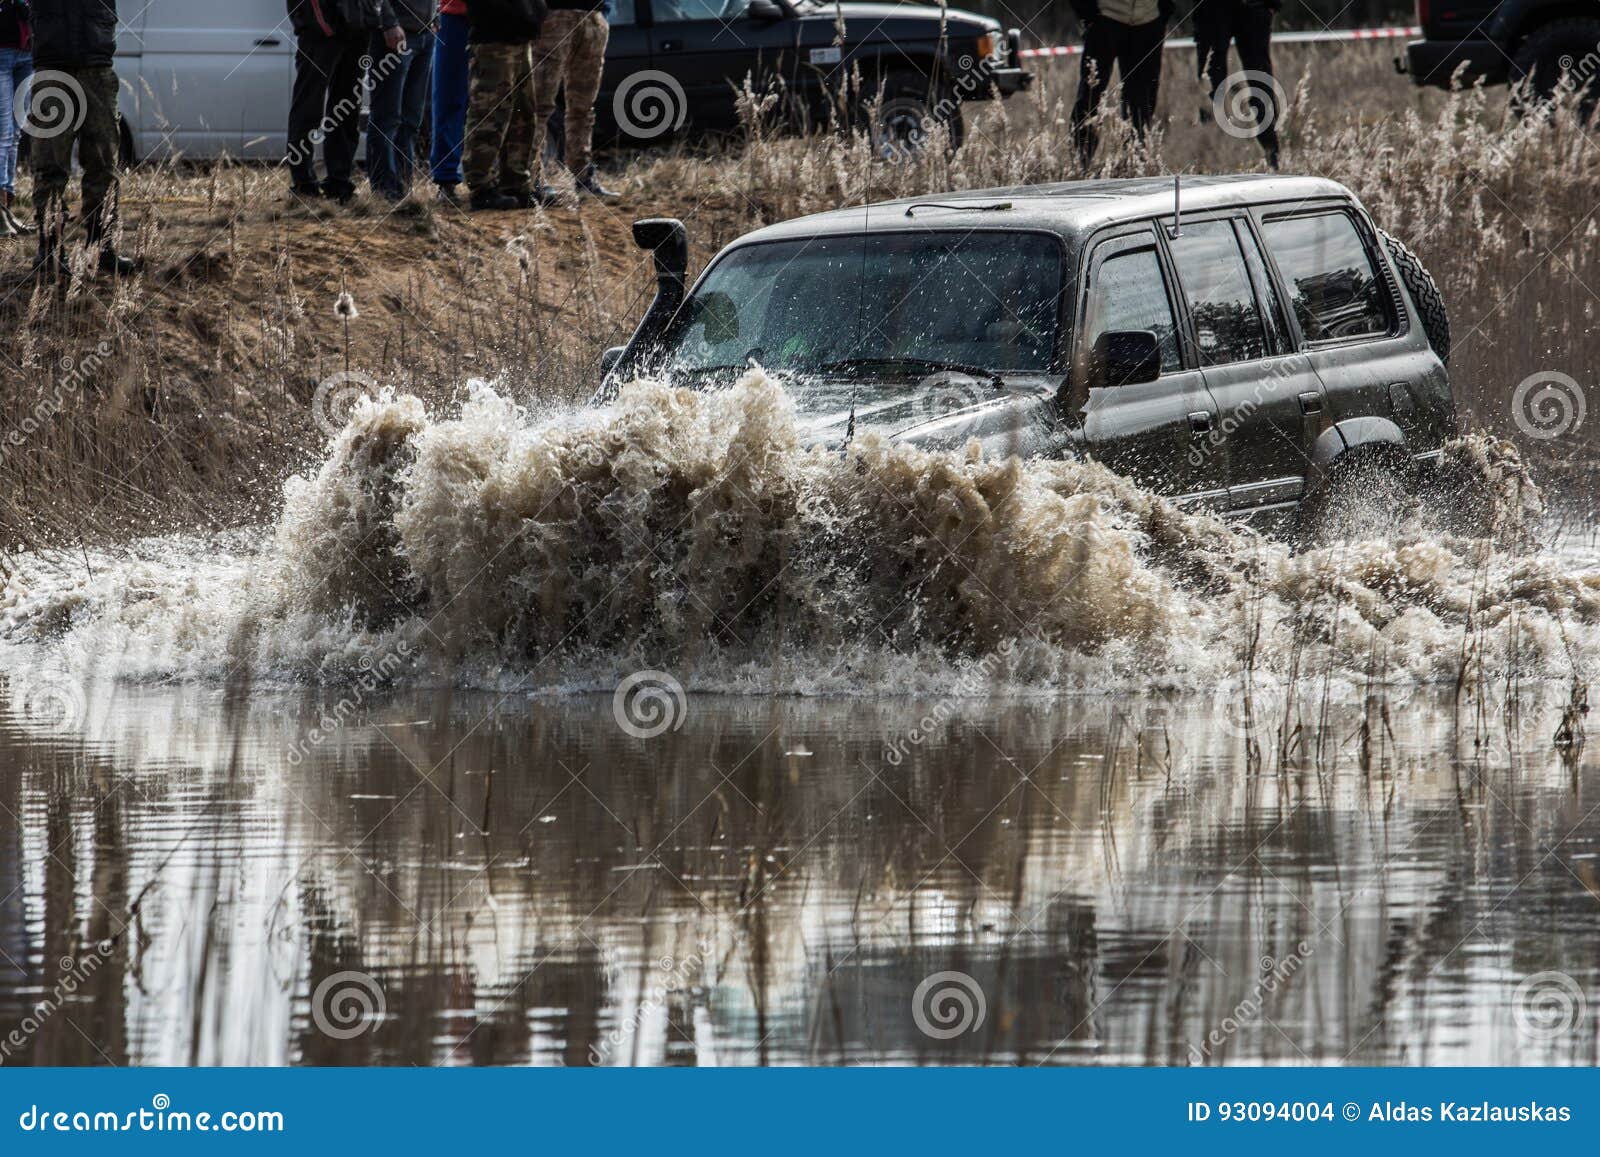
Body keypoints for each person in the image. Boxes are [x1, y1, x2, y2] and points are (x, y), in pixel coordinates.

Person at [28, 0, 130, 275]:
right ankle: (49, 251)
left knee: (104, 163)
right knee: (50, 166)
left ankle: (103, 248)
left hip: (97, 63)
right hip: (52, 65)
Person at [287, 0, 401, 203]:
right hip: (319, 32)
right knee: (309, 107)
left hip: (358, 29)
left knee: (347, 108)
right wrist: (322, 24)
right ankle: (304, 184)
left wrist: (376, 18)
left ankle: (339, 183)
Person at [462, 0, 547, 211]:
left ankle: (515, 182)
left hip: (521, 36)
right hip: (493, 39)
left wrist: (535, 12)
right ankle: (481, 187)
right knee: (489, 114)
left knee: (524, 114)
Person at [1068, 0, 1173, 166]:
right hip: (1105, 18)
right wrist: (1088, 15)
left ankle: (1134, 167)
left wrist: (1164, 12)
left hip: (1149, 21)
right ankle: (1080, 167)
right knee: (1090, 97)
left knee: (1142, 103)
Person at [530, 0, 615, 200]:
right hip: (555, 17)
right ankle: (532, 178)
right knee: (540, 104)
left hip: (593, 15)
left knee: (583, 107)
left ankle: (583, 177)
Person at [1193, 0, 1280, 168]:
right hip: (1211, 9)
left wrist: (1271, 4)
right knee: (1211, 83)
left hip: (1254, 7)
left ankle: (1274, 161)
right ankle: (1209, 162)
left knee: (1260, 83)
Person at [366, 0, 437, 201]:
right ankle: (384, 193)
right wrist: (388, 22)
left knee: (411, 119)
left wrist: (435, 15)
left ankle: (403, 190)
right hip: (394, 34)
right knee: (387, 118)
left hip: (425, 35)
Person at [430, 0, 471, 204]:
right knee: (449, 98)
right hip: (455, 16)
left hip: (500, 18)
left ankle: (500, 179)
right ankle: (446, 180)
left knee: (501, 101)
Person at [0, 0, 32, 237]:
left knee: (15, 133)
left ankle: (7, 211)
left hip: (27, 51)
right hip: (1, 52)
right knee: (3, 133)